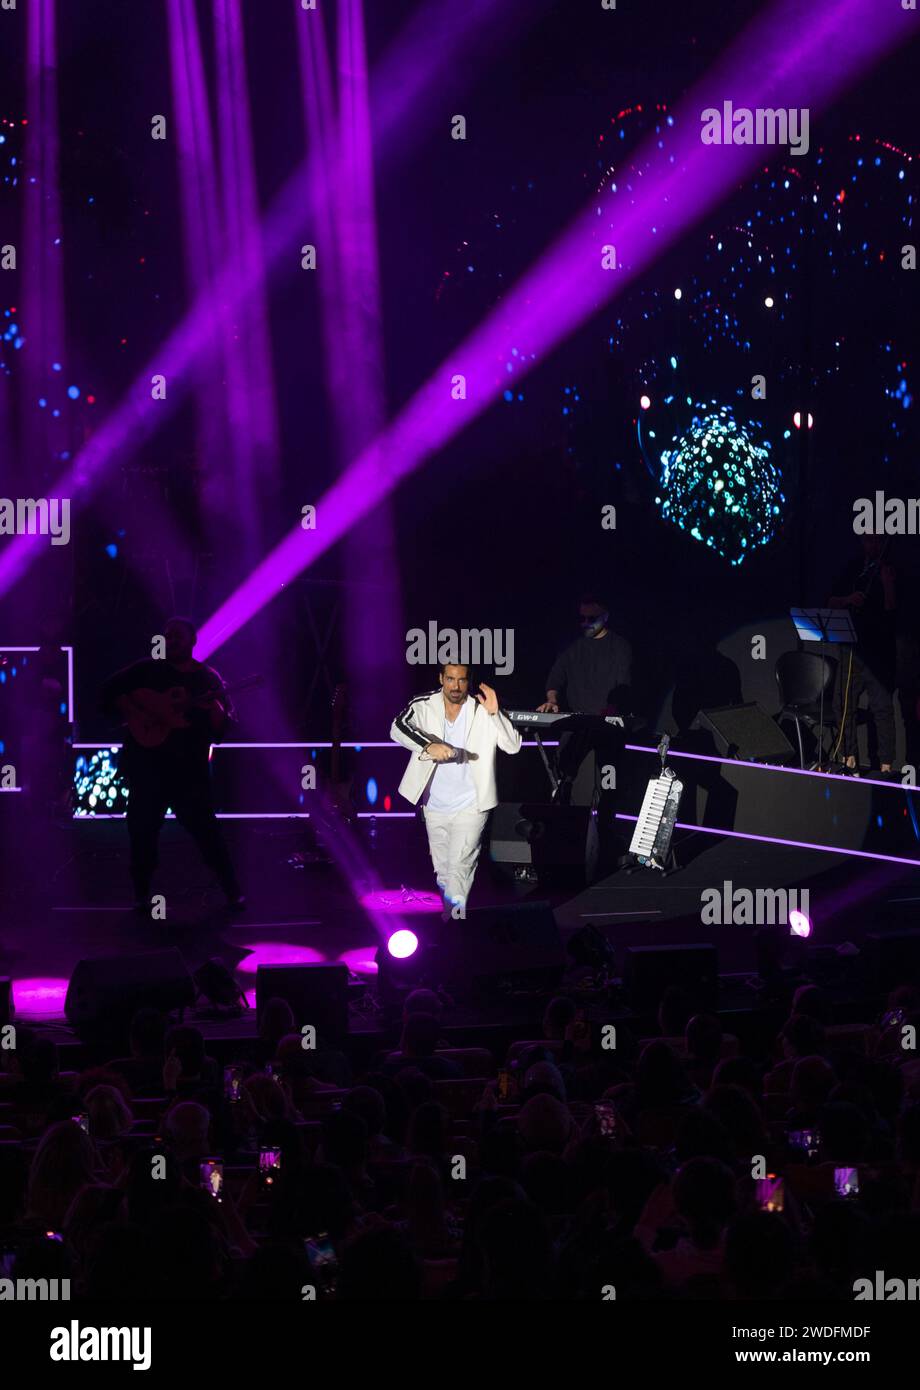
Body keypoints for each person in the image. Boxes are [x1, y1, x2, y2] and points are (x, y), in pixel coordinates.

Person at [101, 617, 243, 910]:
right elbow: (108, 691)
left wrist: (217, 715)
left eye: (177, 636)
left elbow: (222, 728)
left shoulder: (207, 679)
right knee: (142, 833)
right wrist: (134, 711)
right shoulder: (146, 670)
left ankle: (233, 892)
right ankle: (141, 896)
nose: (171, 641)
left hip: (189, 771)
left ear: (192, 641)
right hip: (148, 768)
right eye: (167, 636)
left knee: (208, 834)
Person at [390, 662, 521, 919]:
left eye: (461, 680)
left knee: (460, 868)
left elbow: (513, 746)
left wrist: (495, 713)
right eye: (450, 679)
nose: (455, 686)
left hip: (471, 805)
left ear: (468, 682)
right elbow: (397, 728)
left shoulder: (482, 709)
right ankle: (452, 918)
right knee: (444, 872)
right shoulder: (423, 704)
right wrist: (428, 746)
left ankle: (454, 924)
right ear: (441, 679)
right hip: (435, 805)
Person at [537, 594, 633, 815]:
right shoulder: (574, 647)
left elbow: (623, 686)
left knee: (609, 781)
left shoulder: (619, 647)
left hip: (608, 726)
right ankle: (563, 818)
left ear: (606, 616)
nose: (586, 624)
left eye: (592, 618)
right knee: (562, 776)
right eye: (583, 619)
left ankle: (606, 827)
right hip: (579, 723)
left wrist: (611, 710)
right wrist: (552, 699)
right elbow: (556, 676)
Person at [828, 534, 897, 772]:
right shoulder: (854, 568)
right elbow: (831, 600)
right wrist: (850, 598)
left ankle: (886, 766)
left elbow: (892, 610)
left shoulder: (889, 569)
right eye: (868, 541)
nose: (873, 546)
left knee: (882, 709)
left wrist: (887, 584)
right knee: (842, 705)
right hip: (852, 651)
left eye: (878, 541)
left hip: (878, 654)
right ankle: (850, 759)